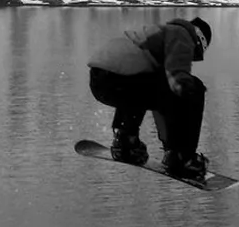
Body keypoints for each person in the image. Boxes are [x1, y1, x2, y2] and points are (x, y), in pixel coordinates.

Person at [86, 16, 212, 178]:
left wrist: (169, 147)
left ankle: (126, 142)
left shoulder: (159, 35)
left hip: (99, 81)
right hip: (120, 79)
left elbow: (160, 101)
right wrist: (191, 94)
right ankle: (184, 159)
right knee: (194, 89)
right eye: (193, 55)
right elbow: (177, 83)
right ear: (198, 42)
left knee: (145, 85)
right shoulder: (182, 34)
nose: (190, 59)